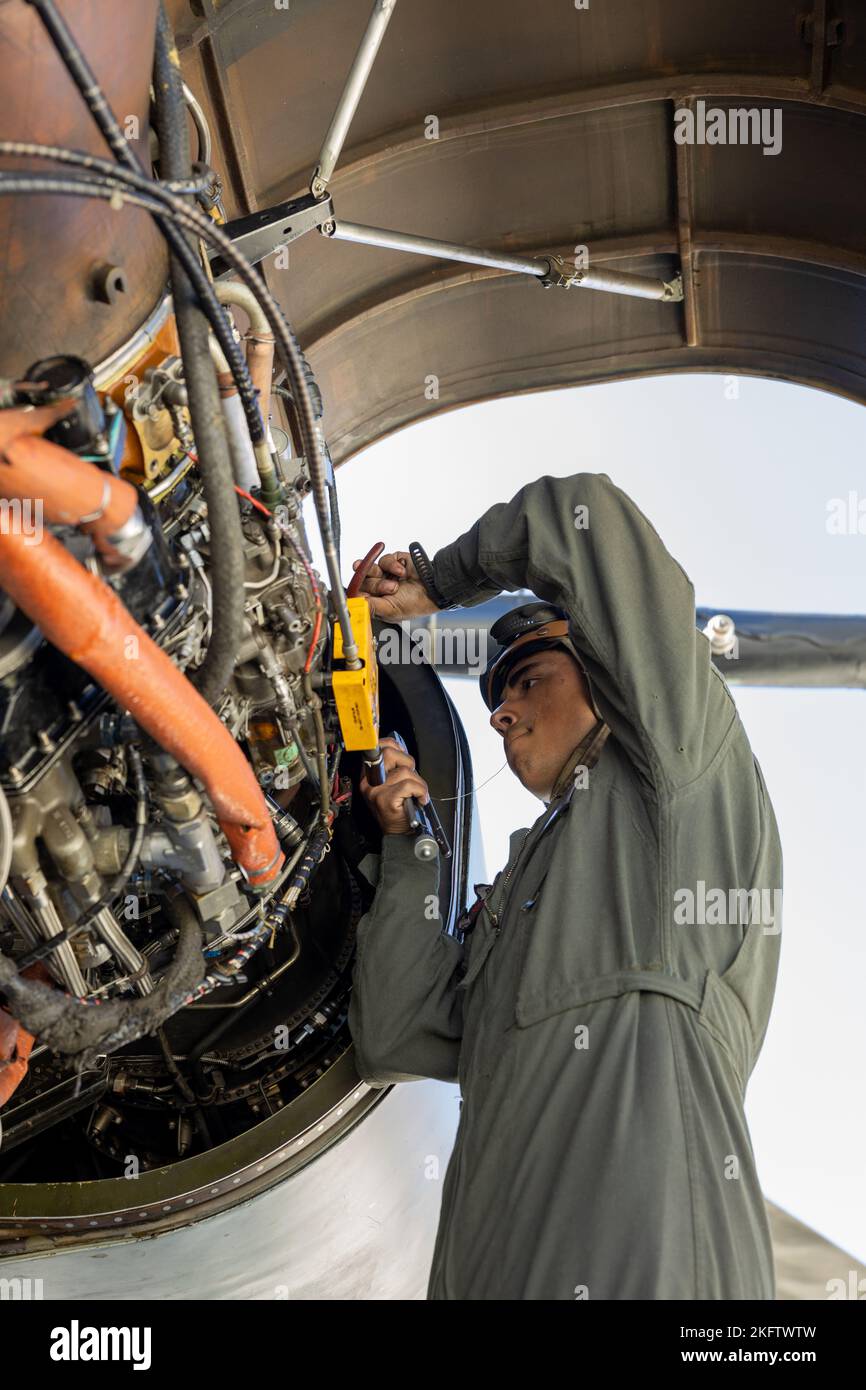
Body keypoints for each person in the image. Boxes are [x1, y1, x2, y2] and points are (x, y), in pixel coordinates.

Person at [347, 470, 783, 1300]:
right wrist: (412, 849)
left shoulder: (677, 765)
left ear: (607, 675)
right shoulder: (527, 885)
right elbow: (397, 1034)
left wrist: (438, 582)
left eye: (526, 681)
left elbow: (584, 517)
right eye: (495, 697)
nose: (500, 714)